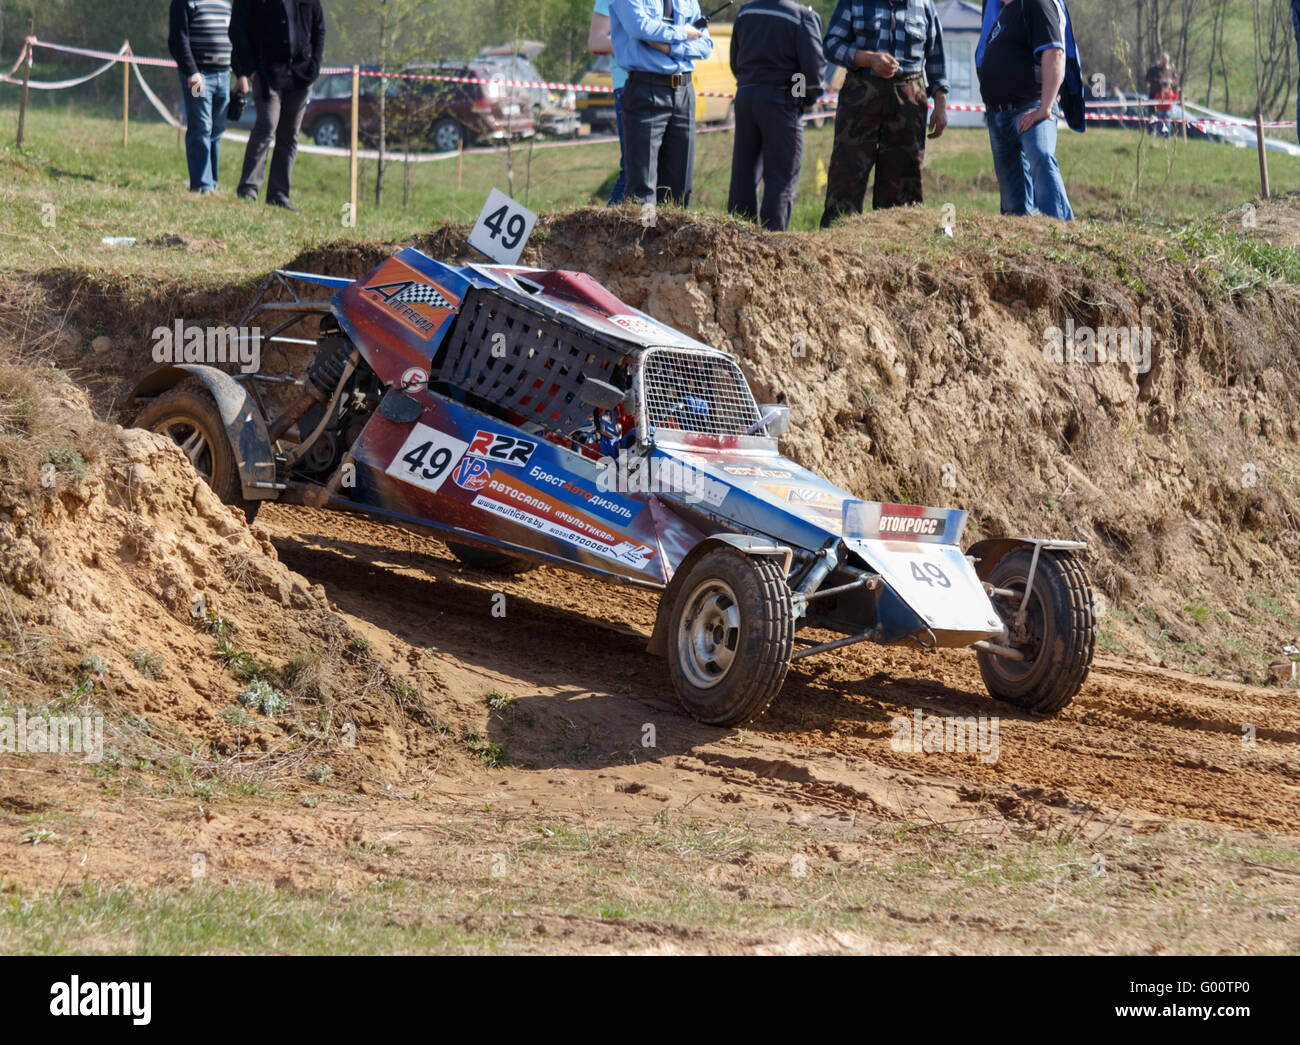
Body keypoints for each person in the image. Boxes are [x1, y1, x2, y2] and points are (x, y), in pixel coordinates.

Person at [819, 0, 948, 226]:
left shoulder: (924, 5)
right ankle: (835, 247)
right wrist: (867, 58)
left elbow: (935, 56)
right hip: (860, 96)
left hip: (908, 101)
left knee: (903, 188)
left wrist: (940, 104)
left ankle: (896, 250)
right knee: (846, 178)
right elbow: (830, 45)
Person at [727, 0, 827, 231]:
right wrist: (802, 101)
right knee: (781, 178)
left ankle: (737, 238)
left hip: (746, 97)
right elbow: (811, 71)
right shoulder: (801, 16)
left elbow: (735, 61)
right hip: (781, 101)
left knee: (744, 174)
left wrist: (751, 84)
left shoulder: (745, 12)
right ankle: (772, 243)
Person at [975, 0, 1077, 221]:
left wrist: (1045, 107)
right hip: (999, 115)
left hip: (1031, 106)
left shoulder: (1036, 4)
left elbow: (1054, 52)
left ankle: (1062, 230)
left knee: (1041, 157)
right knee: (1013, 201)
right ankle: (1021, 245)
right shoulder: (1002, 15)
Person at [609, 0, 714, 207]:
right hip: (646, 89)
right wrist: (684, 33)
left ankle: (671, 240)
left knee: (679, 187)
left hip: (684, 91)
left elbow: (705, 46)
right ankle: (641, 238)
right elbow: (640, 27)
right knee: (643, 190)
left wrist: (668, 47)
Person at [229, 0, 325, 210]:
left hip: (301, 76)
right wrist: (250, 69)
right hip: (267, 74)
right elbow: (237, 30)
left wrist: (315, 65)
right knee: (267, 125)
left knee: (289, 134)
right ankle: (248, 189)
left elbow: (319, 27)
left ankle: (278, 195)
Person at [168, 0, 233, 195]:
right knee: (201, 125)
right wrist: (191, 71)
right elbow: (178, 39)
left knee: (217, 128)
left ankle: (211, 182)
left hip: (224, 76)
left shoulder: (225, 3)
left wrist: (241, 73)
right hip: (199, 77)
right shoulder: (185, 2)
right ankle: (201, 184)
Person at [589, 0, 630, 204]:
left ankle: (651, 230)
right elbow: (596, 42)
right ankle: (611, 230)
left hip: (666, 84)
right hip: (629, 86)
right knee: (634, 169)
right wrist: (642, 41)